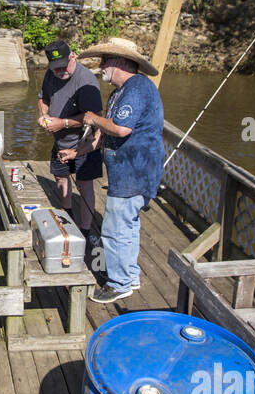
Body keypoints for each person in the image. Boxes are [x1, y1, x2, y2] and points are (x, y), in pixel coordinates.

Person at [58, 38, 164, 303]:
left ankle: (118, 283)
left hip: (134, 172)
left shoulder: (137, 88)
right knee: (127, 226)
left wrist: (92, 118)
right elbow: (105, 133)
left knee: (114, 229)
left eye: (105, 60)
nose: (101, 65)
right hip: (126, 172)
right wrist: (77, 152)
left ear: (120, 62)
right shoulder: (119, 92)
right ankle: (131, 276)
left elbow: (121, 129)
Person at [37, 41, 102, 234]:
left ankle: (86, 229)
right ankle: (66, 216)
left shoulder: (87, 81)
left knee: (84, 185)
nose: (59, 71)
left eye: (63, 66)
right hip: (60, 141)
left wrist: (62, 123)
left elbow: (93, 116)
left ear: (73, 56)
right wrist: (44, 115)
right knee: (60, 177)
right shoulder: (51, 74)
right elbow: (43, 98)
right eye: (55, 68)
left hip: (84, 142)